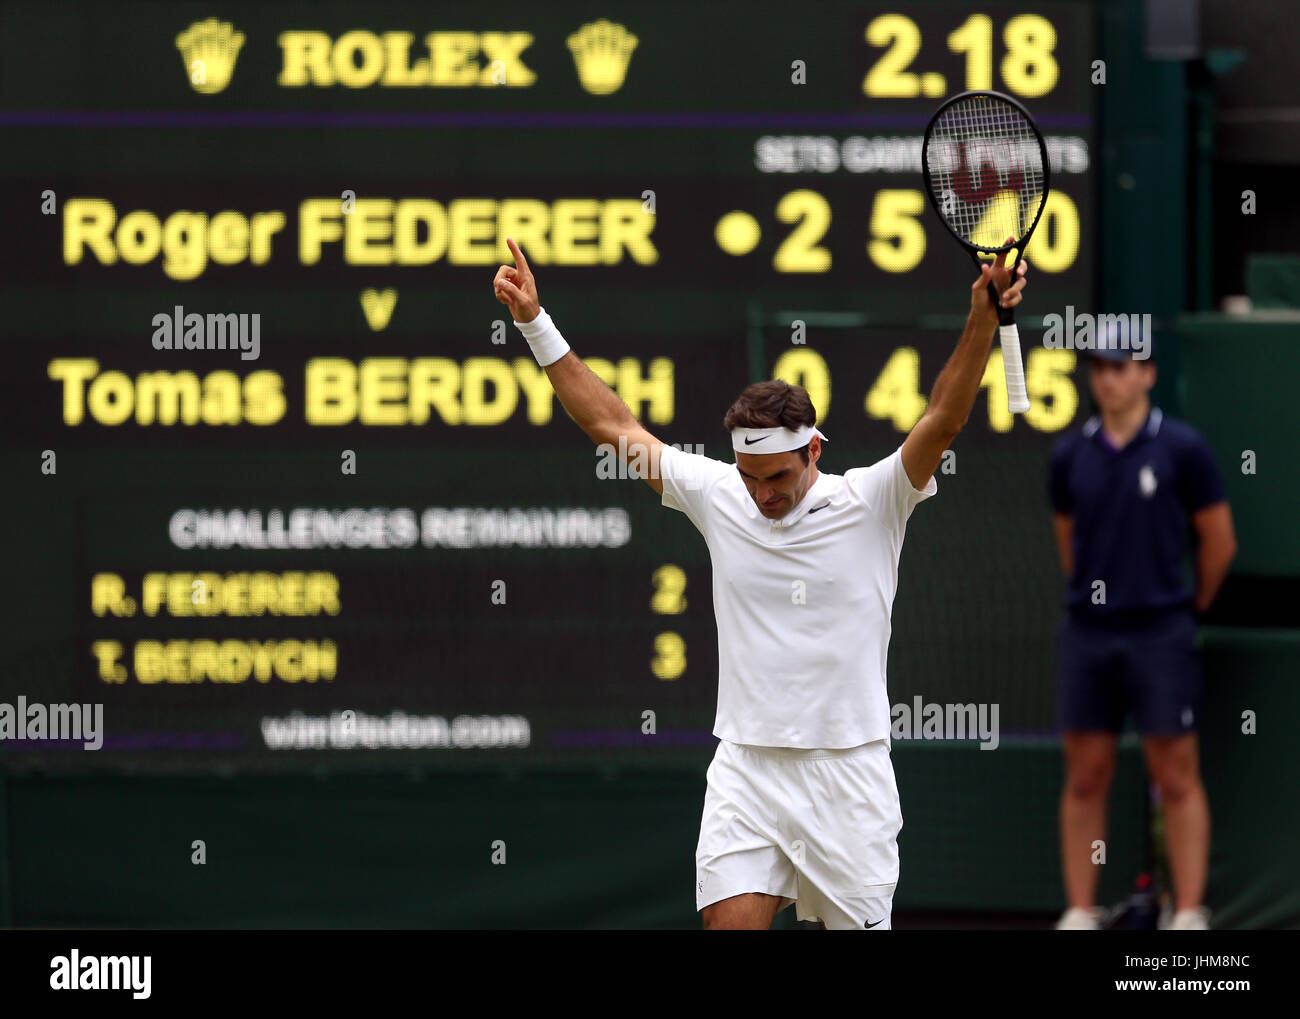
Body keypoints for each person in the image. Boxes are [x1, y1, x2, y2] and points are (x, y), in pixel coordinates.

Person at [493, 236, 1027, 930]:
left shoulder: (873, 501)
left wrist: (982, 317)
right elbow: (609, 423)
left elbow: (943, 418)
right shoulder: (719, 495)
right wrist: (536, 321)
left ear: (814, 450)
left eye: (778, 477)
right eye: (751, 478)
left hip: (847, 774)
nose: (764, 495)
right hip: (748, 765)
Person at [1049, 323, 1237, 931]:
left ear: (1148, 373)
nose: (1110, 378)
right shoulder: (1068, 455)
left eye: (1123, 366)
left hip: (1162, 633)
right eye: (1100, 367)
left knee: (1176, 775)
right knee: (1084, 776)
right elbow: (1069, 547)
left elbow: (1219, 543)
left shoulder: (1183, 449)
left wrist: (1186, 607)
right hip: (1089, 634)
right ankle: (1080, 910)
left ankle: (1186, 912)